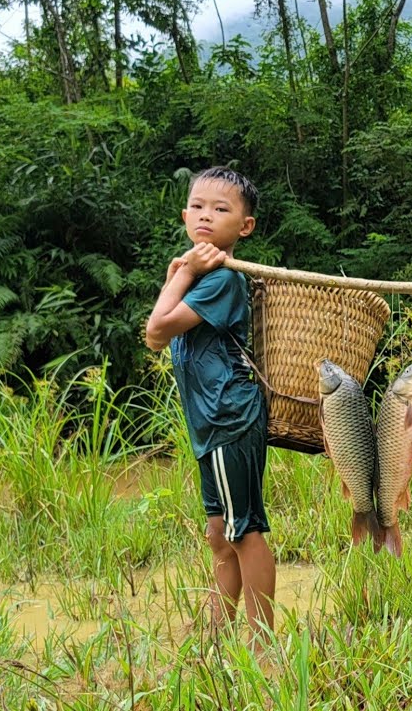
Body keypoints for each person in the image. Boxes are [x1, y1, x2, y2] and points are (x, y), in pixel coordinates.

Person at [145, 166, 276, 645]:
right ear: (184, 215)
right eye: (198, 207)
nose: (206, 216)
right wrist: (181, 274)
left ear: (244, 227)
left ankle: (264, 646)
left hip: (228, 418)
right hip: (209, 424)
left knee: (244, 531)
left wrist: (183, 274)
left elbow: (156, 333)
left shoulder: (221, 280)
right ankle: (212, 640)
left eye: (221, 209)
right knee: (220, 536)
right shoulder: (201, 278)